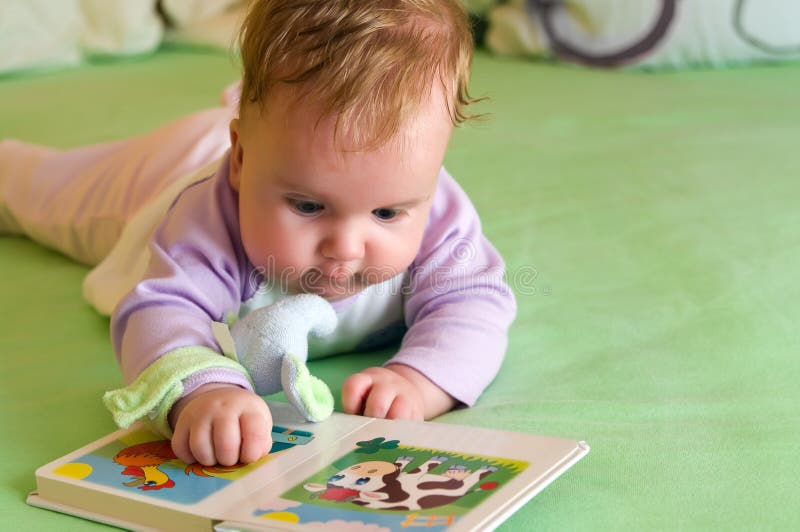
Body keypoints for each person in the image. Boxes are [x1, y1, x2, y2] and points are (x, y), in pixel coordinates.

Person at [0, 0, 516, 468]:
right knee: (42, 193)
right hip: (164, 175)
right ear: (242, 159)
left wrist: (419, 381)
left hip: (268, 143)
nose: (346, 247)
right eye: (308, 205)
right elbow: (162, 309)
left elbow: (475, 302)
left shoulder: (438, 212)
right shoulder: (205, 222)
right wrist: (204, 391)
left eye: (386, 213)